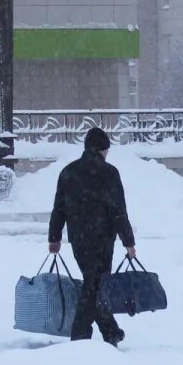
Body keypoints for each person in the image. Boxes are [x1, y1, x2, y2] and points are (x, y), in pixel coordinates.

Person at [48, 127, 136, 346]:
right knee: (94, 287)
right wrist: (129, 242)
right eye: (106, 149)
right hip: (103, 239)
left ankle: (110, 331)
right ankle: (80, 336)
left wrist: (54, 237)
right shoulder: (109, 173)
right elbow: (118, 211)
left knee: (93, 284)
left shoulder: (68, 172)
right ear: (101, 149)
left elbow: (59, 208)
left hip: (78, 240)